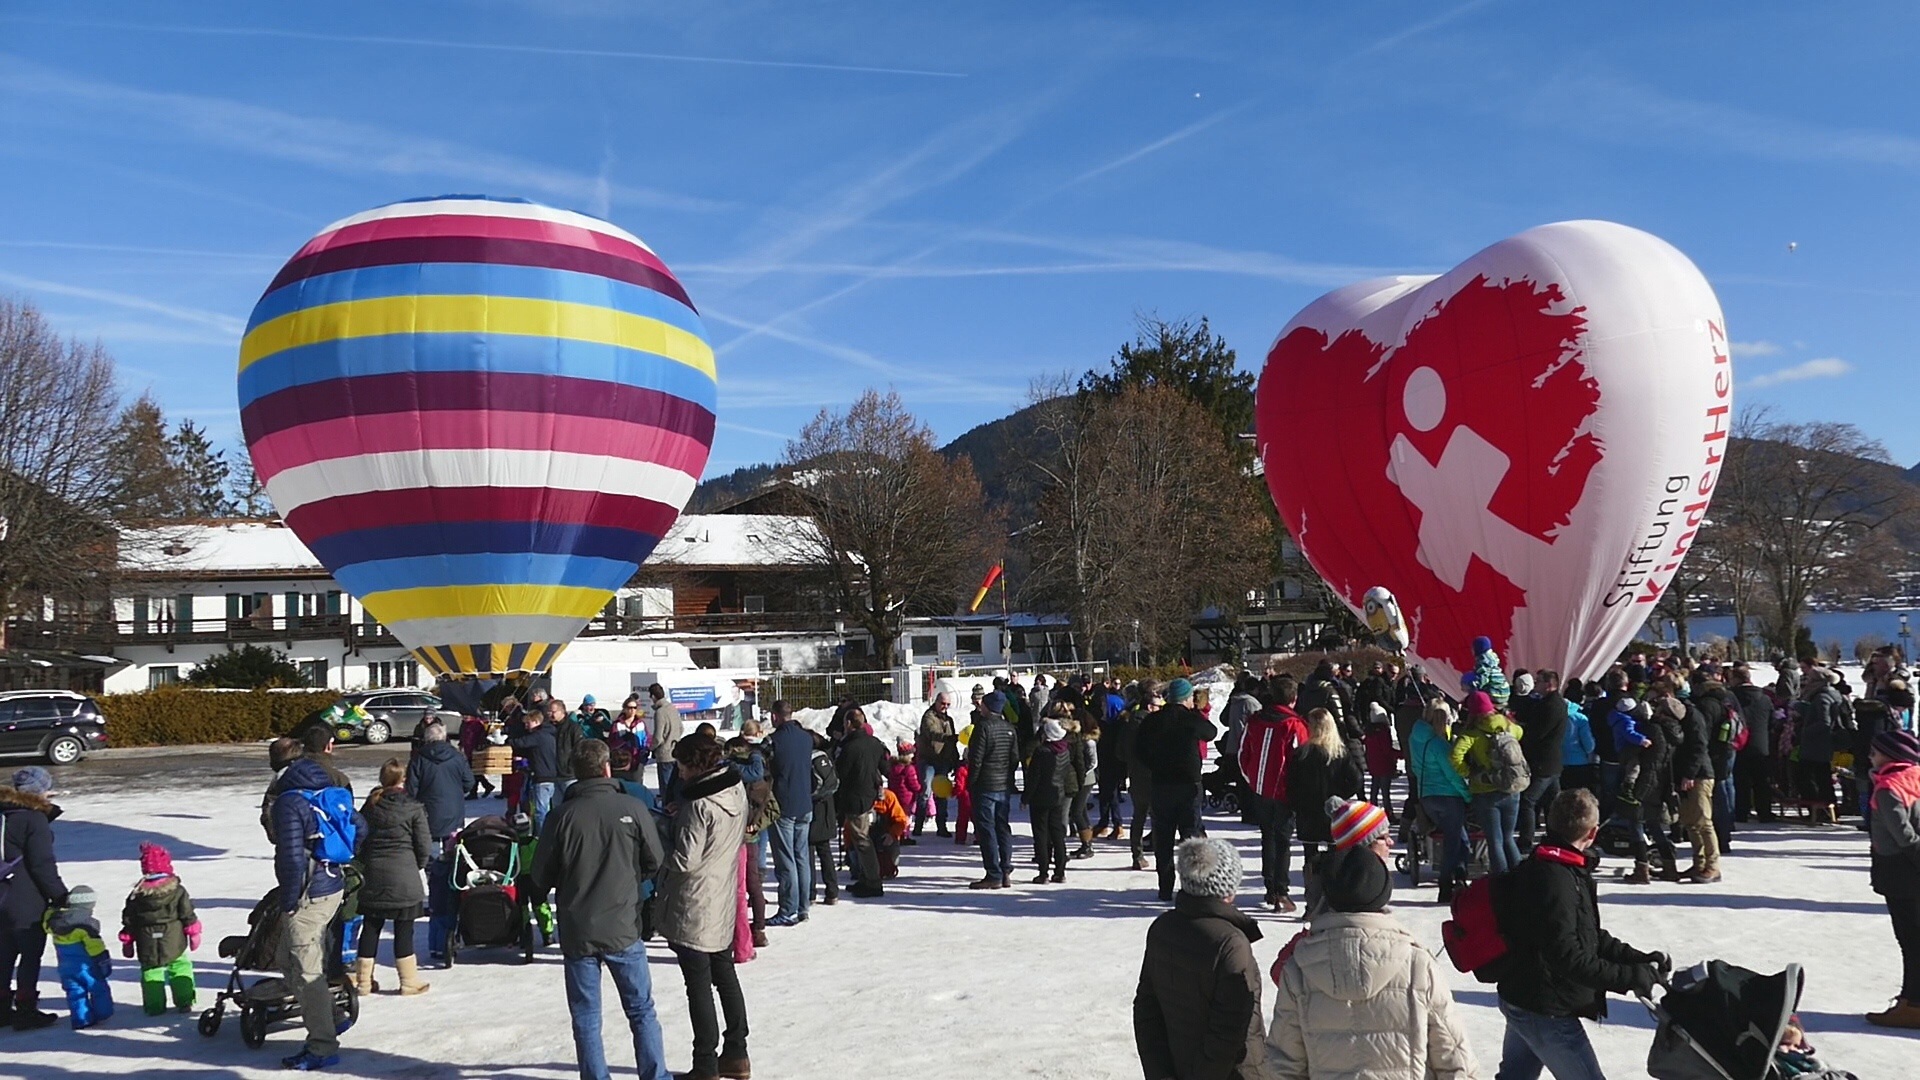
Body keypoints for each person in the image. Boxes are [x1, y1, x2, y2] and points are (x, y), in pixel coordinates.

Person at [1493, 789, 1668, 1080]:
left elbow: (1588, 935)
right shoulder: (1555, 878)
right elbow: (1568, 957)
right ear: (1593, 832)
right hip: (1543, 1008)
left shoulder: (1560, 866)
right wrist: (1630, 977)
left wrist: (1636, 959)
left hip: (1526, 996)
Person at [1264, 845, 1478, 1080]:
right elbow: (1456, 1062)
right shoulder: (1417, 965)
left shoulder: (1299, 969)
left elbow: (1283, 1066)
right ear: (1383, 894)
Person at [528, 739, 672, 1080]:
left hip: (578, 927)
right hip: (622, 923)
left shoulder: (560, 816)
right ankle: (655, 1075)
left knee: (586, 1017)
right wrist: (630, 884)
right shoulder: (631, 807)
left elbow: (541, 874)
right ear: (607, 768)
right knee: (641, 1011)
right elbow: (656, 860)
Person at [1132, 838, 1268, 1080]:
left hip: (1177, 1066)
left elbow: (1146, 1013)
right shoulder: (1231, 943)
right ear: (1228, 888)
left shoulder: (1162, 928)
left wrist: (1160, 1073)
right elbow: (1229, 1034)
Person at [658, 733, 751, 1080]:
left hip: (694, 903)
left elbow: (683, 860)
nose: (679, 774)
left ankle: (705, 1064)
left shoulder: (700, 805)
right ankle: (737, 1052)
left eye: (681, 767)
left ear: (695, 765)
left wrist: (662, 831)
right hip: (722, 895)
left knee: (698, 986)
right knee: (724, 976)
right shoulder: (733, 790)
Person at [269, 746, 366, 1071]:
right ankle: (331, 1016)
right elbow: (362, 827)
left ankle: (322, 1046)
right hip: (332, 886)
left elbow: (292, 857)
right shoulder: (330, 791)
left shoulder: (288, 803)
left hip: (308, 894)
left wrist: (290, 900)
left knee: (306, 970)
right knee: (286, 958)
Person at [355, 759, 433, 997]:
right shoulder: (414, 808)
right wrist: (415, 865)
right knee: (404, 929)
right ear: (403, 780)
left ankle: (363, 982)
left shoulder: (370, 806)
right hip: (404, 876)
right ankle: (408, 982)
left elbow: (359, 839)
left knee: (370, 927)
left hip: (374, 875)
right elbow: (424, 846)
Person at [2, 765, 67, 1030]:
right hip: (26, 899)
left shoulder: (6, 814)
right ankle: (26, 1010)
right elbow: (42, 864)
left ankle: (2, 1011)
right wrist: (60, 895)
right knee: (30, 954)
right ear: (39, 792)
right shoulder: (33, 819)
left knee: (3, 954)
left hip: (2, 896)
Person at [1138, 678, 1213, 902]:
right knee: (1191, 836)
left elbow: (1137, 749)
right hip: (1189, 784)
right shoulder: (1190, 719)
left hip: (1161, 784)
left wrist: (1153, 765)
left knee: (1163, 837)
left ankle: (1165, 885)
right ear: (1186, 698)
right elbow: (1210, 732)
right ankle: (1192, 885)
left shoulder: (1153, 720)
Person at [1240, 675, 1310, 913]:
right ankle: (1280, 890)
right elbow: (1302, 762)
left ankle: (1271, 887)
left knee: (1267, 837)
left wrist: (1253, 781)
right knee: (1282, 841)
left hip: (1261, 790)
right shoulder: (1294, 725)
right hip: (1282, 792)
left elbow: (1243, 754)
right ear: (1294, 699)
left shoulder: (1256, 721)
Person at [404, 719, 471, 964]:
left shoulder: (419, 758)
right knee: (455, 873)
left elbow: (411, 790)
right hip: (453, 820)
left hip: (428, 821)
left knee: (435, 878)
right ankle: (454, 926)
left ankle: (437, 935)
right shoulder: (456, 757)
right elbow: (469, 783)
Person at [1865, 729, 1920, 1028]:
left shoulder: (1888, 788)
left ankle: (1913, 1004)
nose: (1871, 755)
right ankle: (1910, 998)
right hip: (1909, 870)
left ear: (1891, 754)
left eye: (1875, 751)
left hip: (1900, 871)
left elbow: (1903, 836)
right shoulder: (1915, 774)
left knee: (1910, 939)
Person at [1286, 707, 1365, 890]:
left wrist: (1297, 803)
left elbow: (1291, 784)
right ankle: (1332, 894)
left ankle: (1311, 898)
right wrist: (1340, 795)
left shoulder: (1301, 754)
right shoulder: (1340, 753)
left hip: (1308, 811)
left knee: (1310, 857)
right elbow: (1356, 779)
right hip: (1333, 812)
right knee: (1335, 856)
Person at [1451, 691, 1528, 876]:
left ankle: (1502, 882)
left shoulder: (1472, 734)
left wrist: (1468, 772)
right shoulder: (1509, 726)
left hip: (1485, 790)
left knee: (1495, 841)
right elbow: (1521, 733)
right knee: (1509, 838)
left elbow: (1455, 755)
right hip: (1511, 788)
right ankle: (1521, 878)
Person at [120, 841, 201, 1015]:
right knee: (180, 966)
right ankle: (185, 1000)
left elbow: (129, 920)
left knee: (151, 971)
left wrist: (127, 941)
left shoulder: (136, 896)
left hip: (146, 941)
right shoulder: (177, 891)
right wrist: (193, 932)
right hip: (174, 940)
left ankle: (155, 1006)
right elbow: (187, 914)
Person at [1659, 678, 1721, 884]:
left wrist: (1690, 775)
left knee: (1703, 822)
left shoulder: (1693, 717)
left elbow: (1699, 748)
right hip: (1688, 775)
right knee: (1691, 823)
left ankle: (1712, 866)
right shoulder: (1684, 716)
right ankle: (1699, 862)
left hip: (1700, 775)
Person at [1409, 701, 1472, 902]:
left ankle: (1461, 873)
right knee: (1453, 843)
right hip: (1448, 797)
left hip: (1426, 795)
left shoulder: (1415, 737)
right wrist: (1468, 794)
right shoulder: (1439, 744)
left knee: (1458, 837)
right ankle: (1445, 885)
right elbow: (1453, 775)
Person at [764, 702, 814, 927]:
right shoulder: (806, 738)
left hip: (784, 805)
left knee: (786, 860)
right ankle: (803, 906)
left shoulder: (775, 741)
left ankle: (788, 909)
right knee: (802, 857)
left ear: (775, 716)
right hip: (805, 802)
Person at [965, 691, 1019, 890]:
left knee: (986, 829)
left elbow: (976, 759)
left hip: (985, 784)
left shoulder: (983, 728)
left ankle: (993, 873)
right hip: (1003, 784)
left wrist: (972, 781)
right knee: (1002, 826)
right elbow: (1014, 758)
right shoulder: (1010, 729)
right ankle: (1005, 868)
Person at [833, 708, 889, 899]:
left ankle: (872, 881)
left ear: (849, 724)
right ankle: (867, 877)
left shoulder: (849, 747)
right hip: (869, 794)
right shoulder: (874, 743)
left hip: (855, 797)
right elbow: (885, 767)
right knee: (861, 838)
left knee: (862, 840)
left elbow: (840, 773)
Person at [1515, 670, 1569, 850]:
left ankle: (1526, 839)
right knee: (1553, 803)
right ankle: (1557, 836)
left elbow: (1537, 733)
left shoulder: (1551, 705)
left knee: (1528, 800)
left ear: (1549, 684)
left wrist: (1519, 729)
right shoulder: (1549, 703)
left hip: (1543, 763)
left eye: (1538, 682)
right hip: (1551, 763)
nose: (1536, 685)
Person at [45, 885, 112, 1029]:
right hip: (87, 967)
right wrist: (103, 959)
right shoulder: (86, 925)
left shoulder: (55, 921)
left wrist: (52, 909)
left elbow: (46, 922)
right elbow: (95, 947)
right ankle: (103, 1013)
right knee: (98, 988)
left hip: (66, 967)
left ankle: (81, 1019)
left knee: (75, 992)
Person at [1025, 718, 1075, 884]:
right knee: (1057, 833)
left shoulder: (1042, 752)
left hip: (1040, 797)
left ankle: (1043, 872)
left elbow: (1033, 778)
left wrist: (1026, 797)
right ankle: (1060, 871)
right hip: (1058, 795)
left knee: (1041, 834)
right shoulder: (1065, 750)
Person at [1729, 664, 1776, 823]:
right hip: (1761, 743)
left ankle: (1741, 812)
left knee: (1741, 781)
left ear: (1736, 679)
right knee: (1762, 781)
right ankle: (1765, 812)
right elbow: (1772, 721)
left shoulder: (1732, 697)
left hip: (1739, 743)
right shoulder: (1765, 698)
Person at [509, 704, 562, 834]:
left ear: (536, 721)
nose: (526, 727)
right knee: (544, 808)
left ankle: (541, 836)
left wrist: (505, 740)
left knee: (540, 811)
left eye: (528, 723)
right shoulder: (548, 735)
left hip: (542, 778)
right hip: (548, 776)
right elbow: (536, 752)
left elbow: (521, 742)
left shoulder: (538, 735)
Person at [914, 692, 961, 837]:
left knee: (942, 793)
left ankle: (942, 826)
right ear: (936, 702)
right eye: (943, 704)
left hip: (943, 761)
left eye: (948, 705)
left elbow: (952, 744)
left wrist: (955, 759)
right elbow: (931, 732)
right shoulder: (929, 717)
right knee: (925, 792)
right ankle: (918, 825)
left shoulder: (949, 720)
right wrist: (948, 738)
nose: (945, 707)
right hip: (928, 760)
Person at [808, 740, 841, 907]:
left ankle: (810, 892)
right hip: (827, 807)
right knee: (825, 852)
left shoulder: (808, 758)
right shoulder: (825, 757)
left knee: (808, 852)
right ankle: (832, 891)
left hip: (813, 807)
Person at [650, 684, 684, 795]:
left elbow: (658, 737)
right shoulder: (672, 708)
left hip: (664, 755)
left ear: (653, 696)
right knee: (675, 786)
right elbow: (681, 728)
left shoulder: (660, 712)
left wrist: (651, 748)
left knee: (666, 789)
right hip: (676, 751)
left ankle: (667, 809)